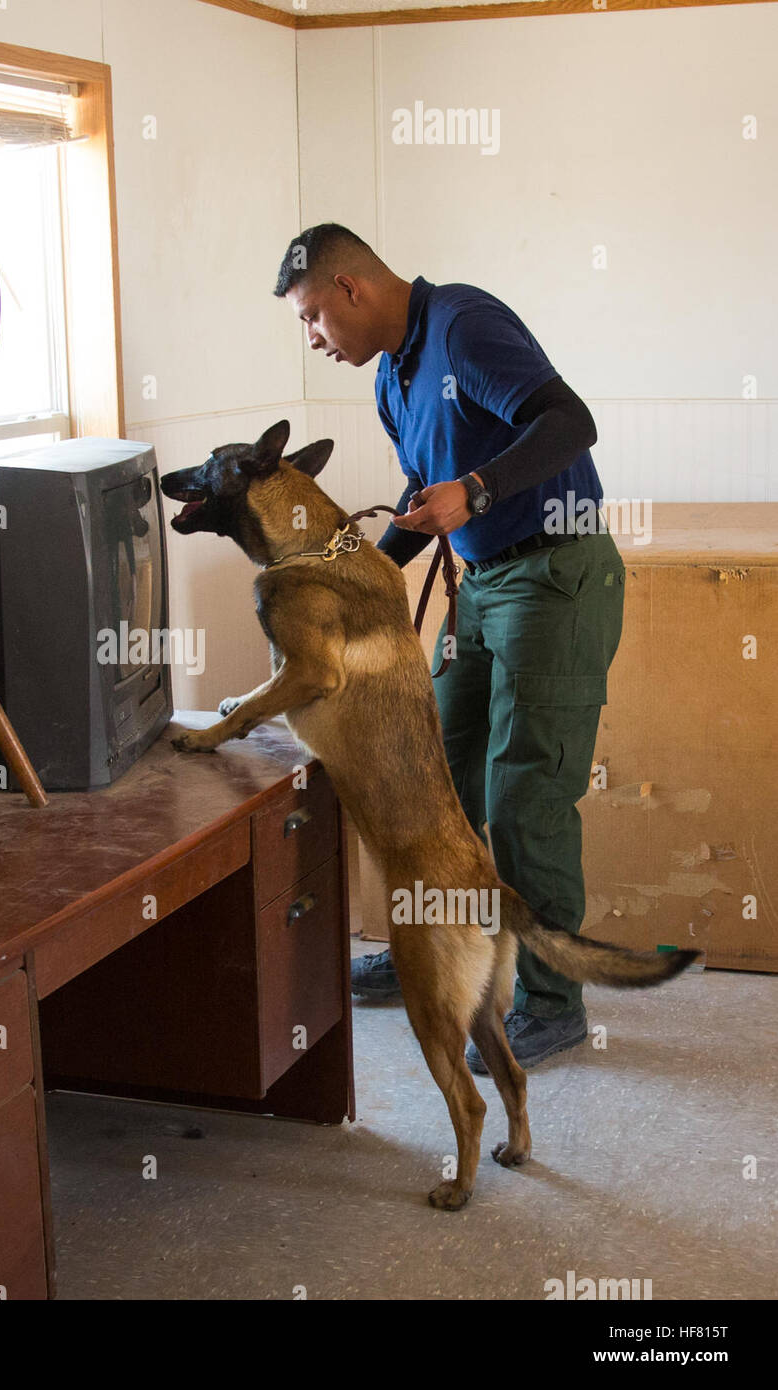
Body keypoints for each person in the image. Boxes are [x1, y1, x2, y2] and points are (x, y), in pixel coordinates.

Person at [273, 223, 625, 1072]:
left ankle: (552, 1002)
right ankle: (430, 945)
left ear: (352, 287)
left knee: (523, 799)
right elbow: (418, 501)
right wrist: (340, 581)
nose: (313, 340)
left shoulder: (463, 325)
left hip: (553, 578)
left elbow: (570, 423)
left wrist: (478, 488)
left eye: (314, 317)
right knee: (429, 778)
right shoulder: (393, 380)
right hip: (482, 586)